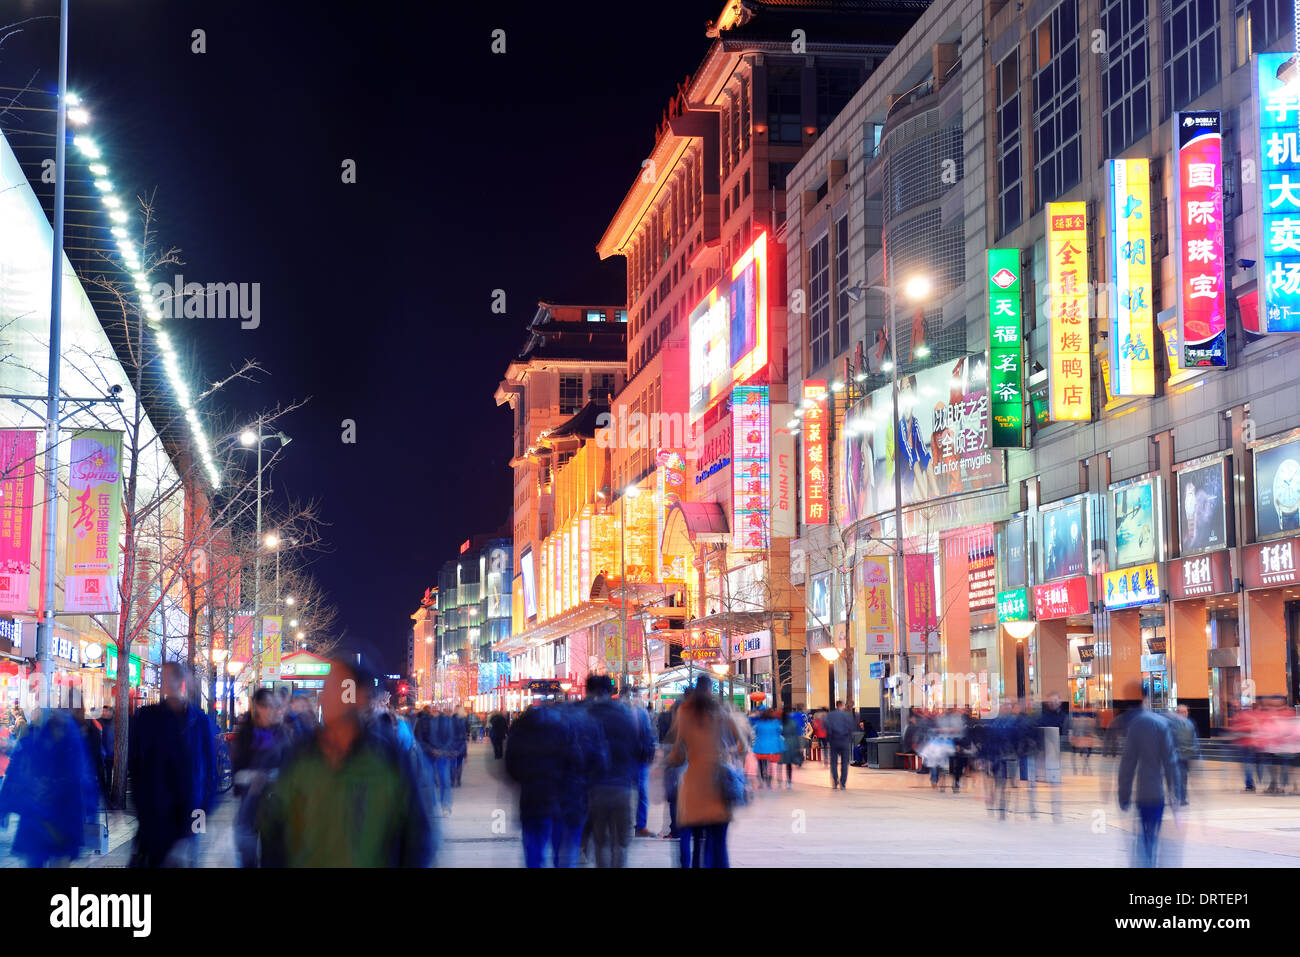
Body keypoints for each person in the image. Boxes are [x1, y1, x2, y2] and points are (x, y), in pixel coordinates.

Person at [257, 662, 436, 867]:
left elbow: (418, 834)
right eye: (328, 687)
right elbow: (273, 830)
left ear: (360, 697)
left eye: (341, 687)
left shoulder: (388, 759)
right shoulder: (300, 756)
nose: (329, 696)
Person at [128, 662, 218, 867]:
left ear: (182, 682)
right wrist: (142, 809)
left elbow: (211, 770)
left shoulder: (199, 720)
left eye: (172, 678)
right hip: (156, 811)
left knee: (186, 858)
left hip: (192, 807)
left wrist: (201, 817)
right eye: (164, 678)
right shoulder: (148, 717)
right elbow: (136, 765)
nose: (167, 683)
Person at [0, 705, 100, 867]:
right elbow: (84, 780)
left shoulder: (39, 741)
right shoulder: (68, 741)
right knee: (48, 859)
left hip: (46, 819)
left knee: (41, 859)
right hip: (53, 819)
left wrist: (5, 805)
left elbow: (15, 771)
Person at [666, 675, 746, 867]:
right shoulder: (723, 712)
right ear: (711, 690)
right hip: (719, 785)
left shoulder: (684, 713)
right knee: (719, 844)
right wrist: (725, 753)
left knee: (697, 846)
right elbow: (743, 746)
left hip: (694, 788)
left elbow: (677, 753)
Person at [583, 676, 648, 868]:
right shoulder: (626, 716)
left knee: (600, 840)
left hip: (595, 789)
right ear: (610, 692)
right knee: (620, 843)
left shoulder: (585, 715)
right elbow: (640, 748)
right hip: (622, 787)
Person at [1117, 684, 1179, 868]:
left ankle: (1146, 861)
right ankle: (1150, 858)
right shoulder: (1161, 724)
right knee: (1153, 831)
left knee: (1144, 834)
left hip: (1142, 793)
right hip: (1157, 793)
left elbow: (1127, 763)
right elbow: (1170, 762)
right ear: (1147, 699)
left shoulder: (1135, 726)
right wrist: (1175, 792)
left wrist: (1124, 794)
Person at [230, 688, 290, 867]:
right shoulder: (245, 734)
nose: (271, 710)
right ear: (256, 707)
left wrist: (269, 776)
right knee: (247, 857)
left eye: (273, 706)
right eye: (266, 706)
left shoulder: (282, 734)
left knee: (273, 859)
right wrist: (252, 777)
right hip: (249, 808)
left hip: (275, 808)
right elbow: (237, 772)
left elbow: (289, 769)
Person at [624, 686, 658, 837]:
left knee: (641, 793)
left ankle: (640, 825)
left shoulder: (643, 713)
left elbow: (648, 734)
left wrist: (650, 751)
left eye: (637, 696)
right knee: (627, 792)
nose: (635, 699)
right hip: (626, 759)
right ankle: (626, 824)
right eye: (633, 696)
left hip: (639, 758)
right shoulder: (622, 714)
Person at [823, 701, 858, 790]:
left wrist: (829, 738)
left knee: (833, 762)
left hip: (834, 741)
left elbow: (826, 727)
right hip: (844, 741)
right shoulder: (847, 716)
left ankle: (835, 781)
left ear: (836, 706)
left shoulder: (830, 715)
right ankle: (843, 783)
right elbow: (851, 727)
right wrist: (849, 738)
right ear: (842, 706)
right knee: (844, 763)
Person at [1169, 704, 1198, 807]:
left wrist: (1195, 750)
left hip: (1186, 755)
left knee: (1183, 778)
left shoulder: (1189, 724)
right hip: (1176, 756)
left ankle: (1181, 798)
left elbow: (1194, 739)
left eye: (1185, 712)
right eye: (1182, 712)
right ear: (1178, 713)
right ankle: (1178, 798)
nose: (1184, 714)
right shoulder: (1172, 725)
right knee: (1177, 777)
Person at [751, 707, 783, 789]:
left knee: (761, 764)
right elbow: (779, 731)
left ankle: (762, 781)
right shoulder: (775, 722)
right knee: (771, 764)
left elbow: (756, 732)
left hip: (760, 746)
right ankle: (769, 782)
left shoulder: (759, 722)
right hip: (772, 746)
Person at [778, 707, 804, 788]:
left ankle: (780, 780)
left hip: (781, 743)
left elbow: (777, 733)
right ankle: (789, 781)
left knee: (780, 763)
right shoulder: (793, 722)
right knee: (788, 764)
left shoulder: (780, 723)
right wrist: (799, 746)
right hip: (791, 744)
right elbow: (797, 735)